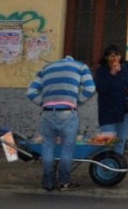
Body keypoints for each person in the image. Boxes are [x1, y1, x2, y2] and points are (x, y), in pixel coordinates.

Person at [26, 55, 95, 192]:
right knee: (67, 149)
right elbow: (90, 89)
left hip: (47, 113)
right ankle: (64, 182)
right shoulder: (81, 66)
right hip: (67, 114)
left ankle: (48, 182)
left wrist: (44, 103)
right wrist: (76, 102)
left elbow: (31, 91)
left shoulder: (46, 68)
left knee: (47, 147)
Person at [93, 44, 128, 155]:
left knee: (121, 139)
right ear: (106, 57)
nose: (115, 59)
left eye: (117, 55)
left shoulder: (127, 66)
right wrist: (112, 73)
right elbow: (101, 89)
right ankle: (105, 164)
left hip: (126, 109)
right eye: (111, 56)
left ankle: (117, 164)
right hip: (108, 111)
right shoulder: (102, 70)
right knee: (107, 140)